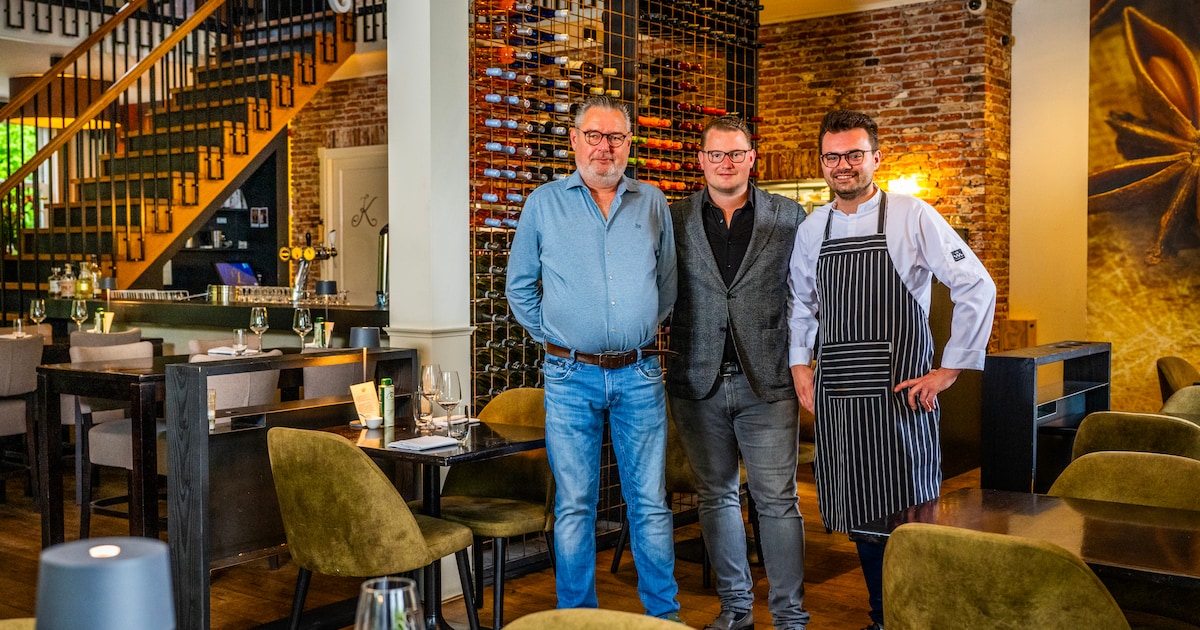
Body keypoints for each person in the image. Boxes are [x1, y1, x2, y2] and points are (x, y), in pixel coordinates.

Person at [787, 110, 996, 630]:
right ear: (822, 162)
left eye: (855, 154)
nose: (844, 165)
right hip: (839, 394)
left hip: (900, 392)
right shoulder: (813, 228)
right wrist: (799, 364)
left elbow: (977, 286)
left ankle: (916, 615)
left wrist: (948, 369)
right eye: (834, 156)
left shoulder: (912, 215)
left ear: (875, 158)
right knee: (860, 517)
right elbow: (802, 306)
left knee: (911, 514)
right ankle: (883, 616)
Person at [506, 95, 682, 621]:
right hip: (568, 375)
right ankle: (576, 616)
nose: (604, 148)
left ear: (629, 144)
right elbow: (519, 288)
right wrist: (557, 337)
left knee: (649, 503)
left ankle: (663, 618)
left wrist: (640, 328)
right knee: (575, 505)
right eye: (594, 136)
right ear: (575, 140)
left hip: (641, 372)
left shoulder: (652, 202)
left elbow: (667, 284)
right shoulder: (543, 203)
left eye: (616, 138)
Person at [667, 115, 809, 630]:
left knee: (777, 500)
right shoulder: (673, 218)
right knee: (716, 497)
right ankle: (735, 612)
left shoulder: (789, 216)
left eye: (736, 154)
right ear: (701, 160)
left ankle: (791, 617)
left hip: (767, 381)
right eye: (716, 155)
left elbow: (805, 298)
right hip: (696, 380)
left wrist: (804, 361)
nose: (726, 163)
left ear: (752, 158)